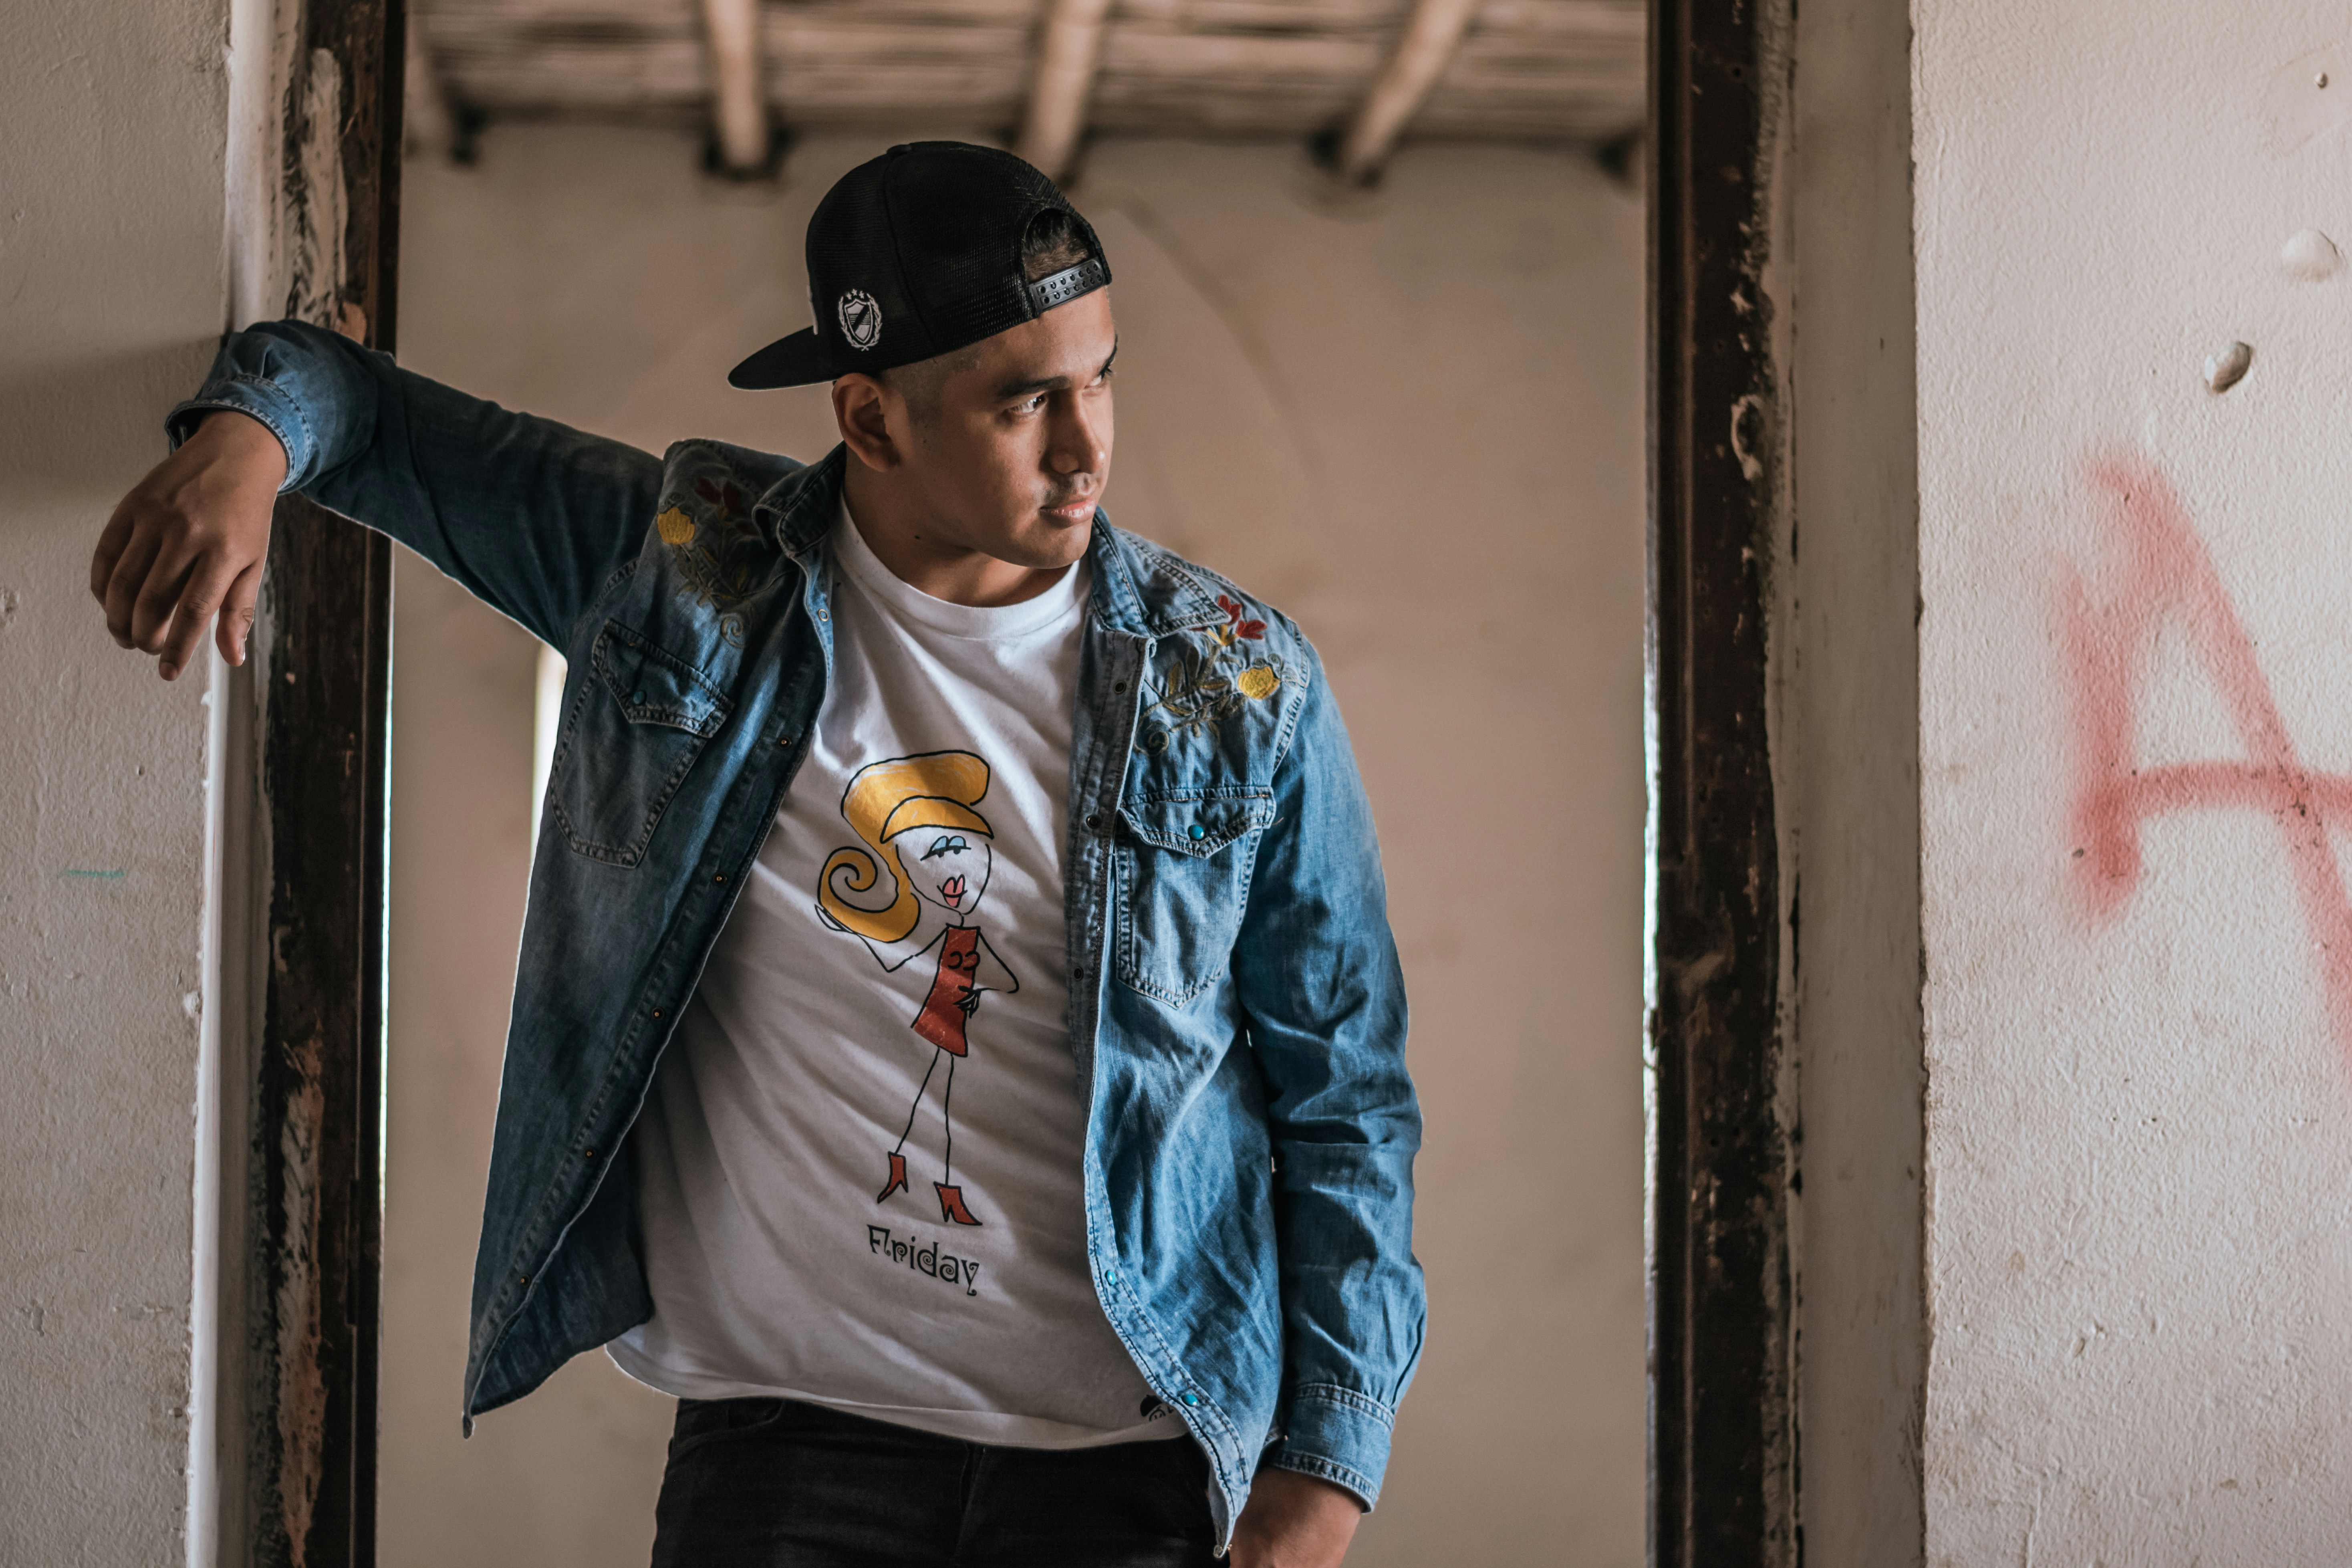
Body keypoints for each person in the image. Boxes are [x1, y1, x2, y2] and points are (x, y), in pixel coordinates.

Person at [92, 140, 1422, 1567]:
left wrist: (1324, 1470)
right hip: (784, 1456)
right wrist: (244, 445)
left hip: (1122, 1472)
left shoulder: (1236, 682)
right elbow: (355, 403)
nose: (1085, 445)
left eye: (1098, 377)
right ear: (870, 418)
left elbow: (1344, 1093)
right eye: (1026, 401)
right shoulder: (688, 570)